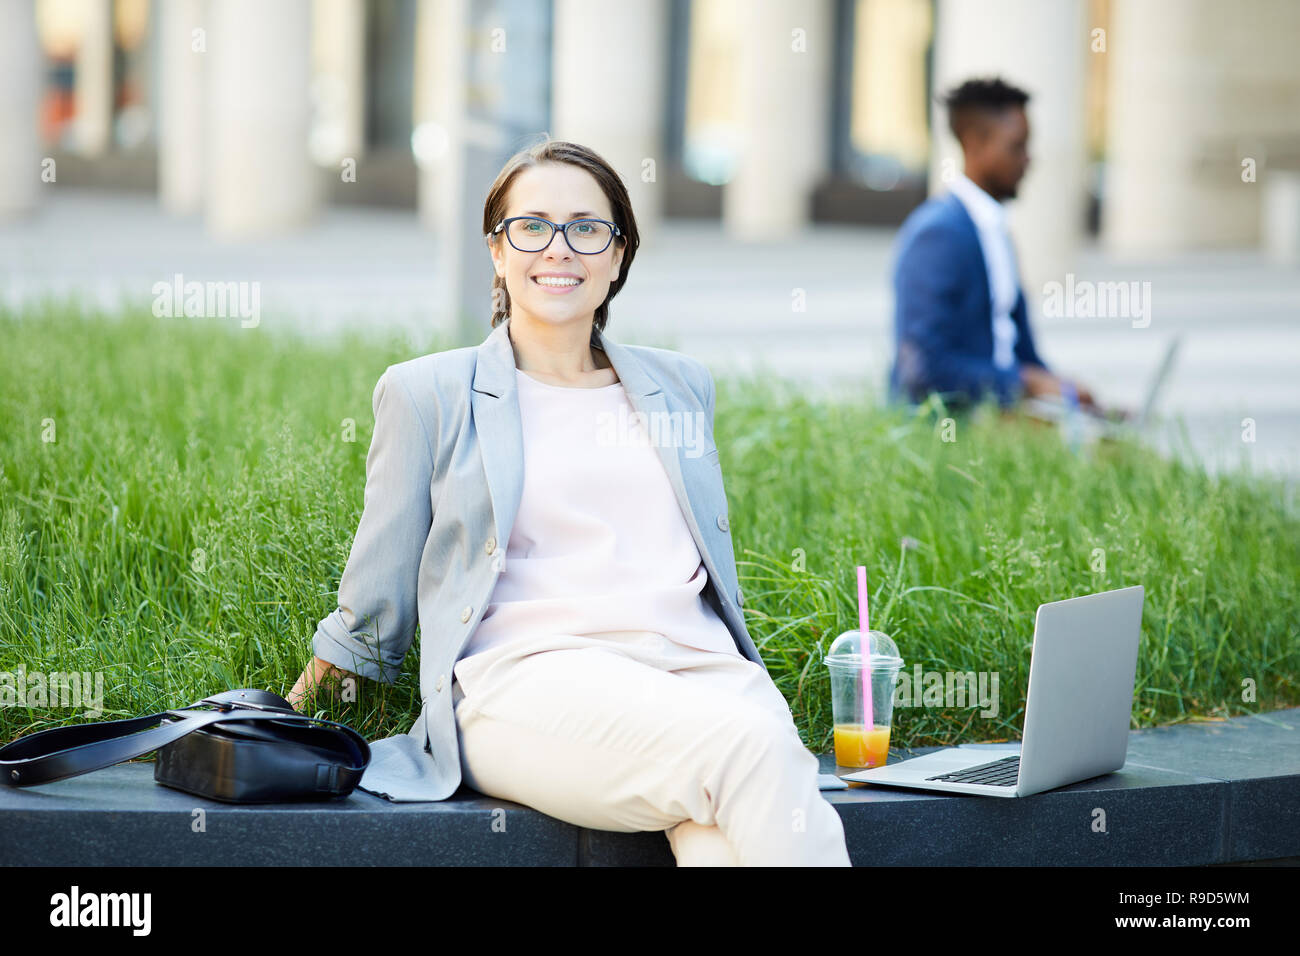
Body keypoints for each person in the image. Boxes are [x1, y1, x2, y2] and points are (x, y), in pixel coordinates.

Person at [288, 138, 851, 867]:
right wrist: (285, 717)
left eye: (588, 228)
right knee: (752, 755)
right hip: (531, 680)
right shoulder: (430, 392)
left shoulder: (681, 387)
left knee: (720, 832)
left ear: (618, 255)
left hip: (707, 674)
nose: (560, 248)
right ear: (497, 250)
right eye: (532, 226)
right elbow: (373, 603)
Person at [889, 76, 1105, 414]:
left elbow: (1021, 352)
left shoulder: (996, 232)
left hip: (1003, 415)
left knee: (1115, 443)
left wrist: (1069, 394)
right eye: (1017, 147)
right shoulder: (937, 235)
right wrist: (1027, 383)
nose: (1028, 160)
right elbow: (923, 369)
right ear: (975, 144)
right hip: (950, 428)